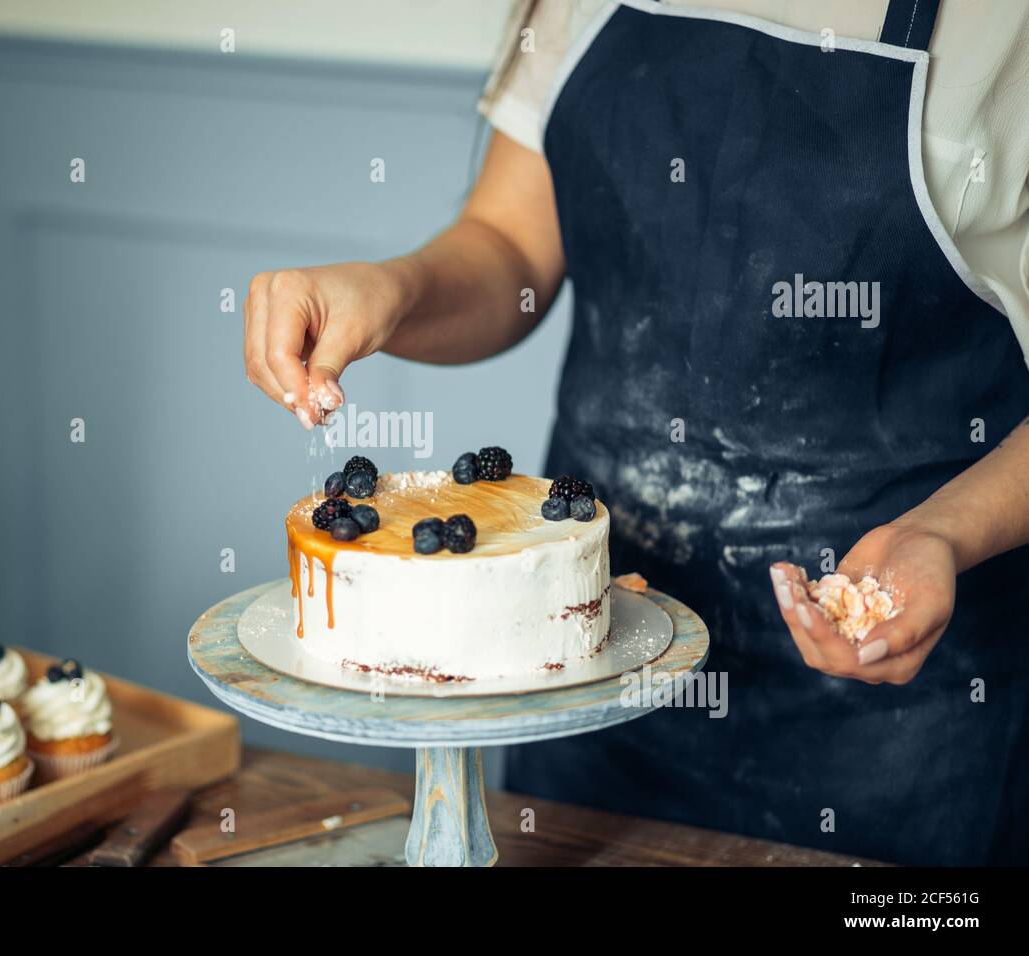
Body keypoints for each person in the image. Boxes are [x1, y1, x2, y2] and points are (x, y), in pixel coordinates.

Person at [241, 0, 1029, 865]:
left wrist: (940, 532)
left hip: (901, 720)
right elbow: (509, 244)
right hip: (592, 662)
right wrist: (391, 289)